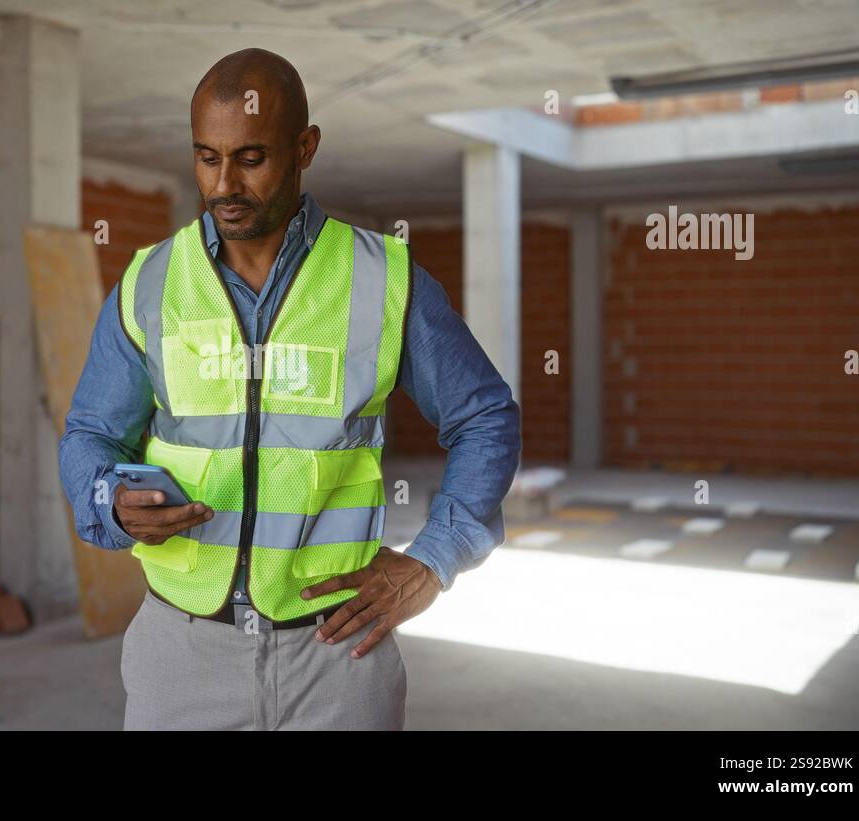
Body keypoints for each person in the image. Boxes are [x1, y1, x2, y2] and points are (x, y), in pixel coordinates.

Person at [59, 47, 521, 730]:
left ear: (305, 148)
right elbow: (90, 432)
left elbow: (485, 416)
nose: (224, 185)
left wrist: (432, 561)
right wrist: (110, 498)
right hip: (181, 654)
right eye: (206, 158)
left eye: (251, 158)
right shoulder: (150, 284)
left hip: (337, 654)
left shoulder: (383, 279)